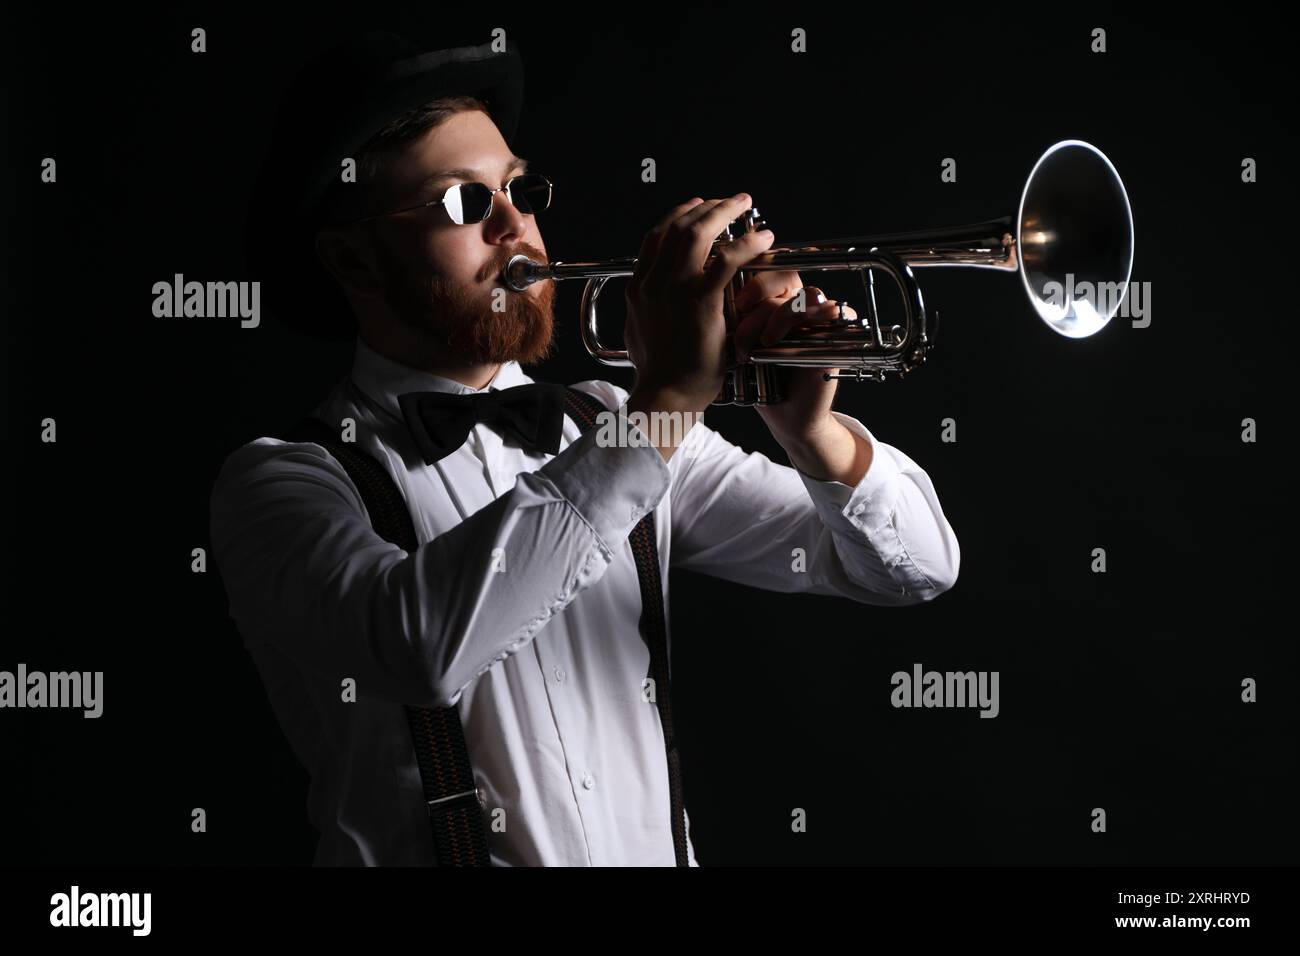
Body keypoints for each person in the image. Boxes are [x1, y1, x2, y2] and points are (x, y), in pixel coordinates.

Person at [210, 31, 960, 866]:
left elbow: (913, 570)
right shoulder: (282, 482)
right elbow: (422, 647)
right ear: (353, 255)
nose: (516, 227)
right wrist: (667, 403)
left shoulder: (607, 422)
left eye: (520, 189)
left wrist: (808, 430)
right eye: (464, 203)